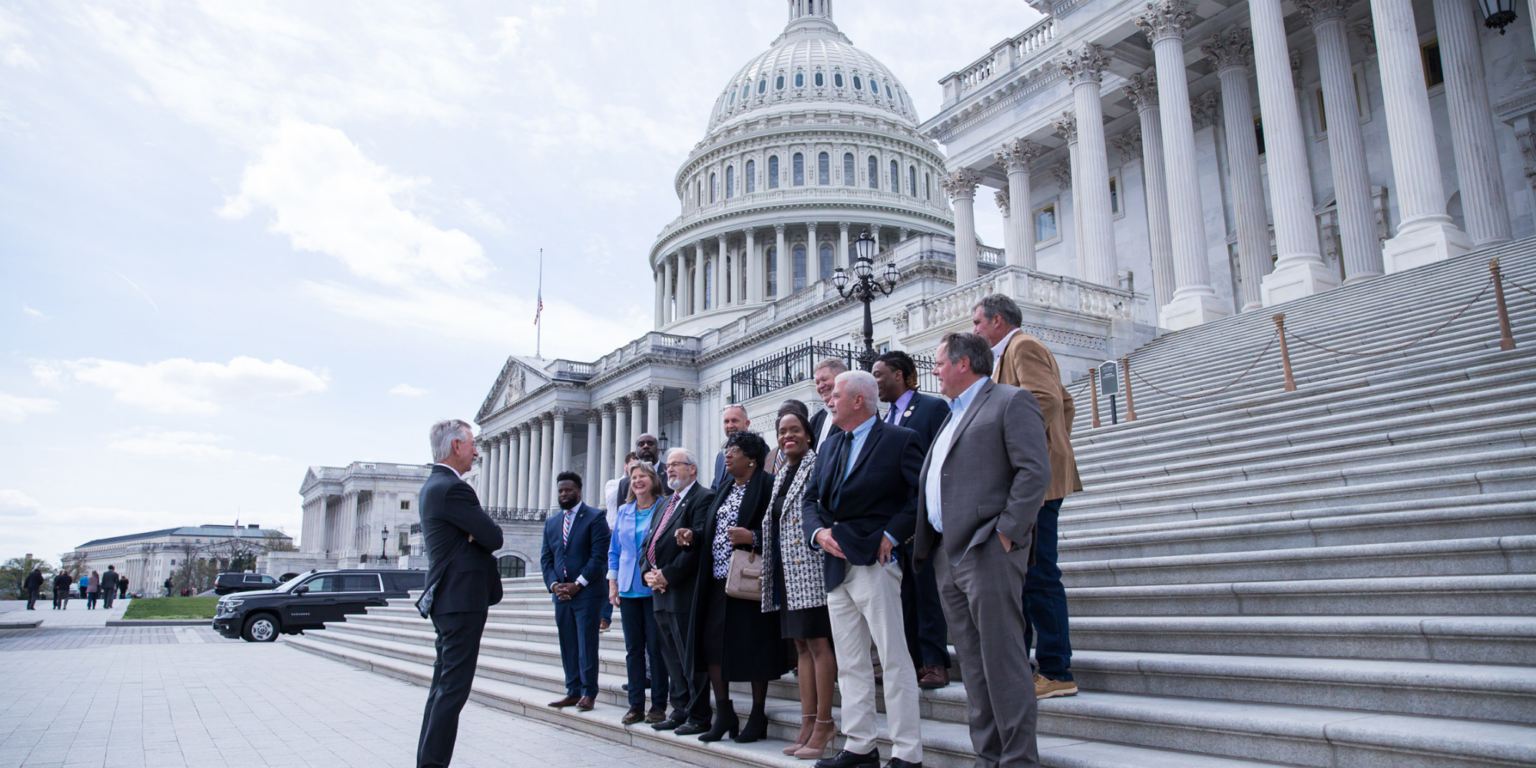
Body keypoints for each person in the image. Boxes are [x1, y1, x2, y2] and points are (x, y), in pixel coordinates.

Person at [914, 332, 1052, 768]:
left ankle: (1018, 760)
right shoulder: (948, 415)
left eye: (938, 363)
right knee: (973, 667)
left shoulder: (1011, 401)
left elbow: (1034, 471)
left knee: (1004, 662)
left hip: (988, 549)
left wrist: (1007, 534)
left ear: (963, 363)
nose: (934, 371)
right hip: (946, 554)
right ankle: (987, 757)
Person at [802, 370, 925, 768]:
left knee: (893, 658)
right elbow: (811, 500)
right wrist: (818, 533)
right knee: (851, 662)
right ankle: (860, 746)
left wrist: (893, 533)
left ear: (858, 400)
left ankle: (907, 753)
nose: (828, 400)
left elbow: (919, 496)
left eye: (835, 394)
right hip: (835, 566)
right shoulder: (832, 444)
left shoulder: (900, 440)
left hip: (877, 561)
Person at [973, 294, 1083, 699]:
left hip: (1036, 485)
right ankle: (1042, 666)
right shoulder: (1009, 353)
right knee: (1031, 575)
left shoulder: (1024, 346)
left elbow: (1047, 400)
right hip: (1034, 479)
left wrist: (1021, 447)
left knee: (1039, 575)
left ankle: (1055, 670)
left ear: (998, 321)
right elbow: (1065, 403)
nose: (975, 332)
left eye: (978, 323)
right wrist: (1055, 443)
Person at [682, 430, 787, 744]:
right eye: (727, 450)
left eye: (735, 451)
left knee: (754, 646)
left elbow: (781, 529)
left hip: (749, 582)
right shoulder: (725, 487)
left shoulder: (767, 485)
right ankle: (724, 712)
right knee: (712, 645)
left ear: (752, 459)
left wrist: (752, 537)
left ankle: (757, 715)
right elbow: (712, 529)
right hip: (716, 579)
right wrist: (692, 536)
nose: (727, 455)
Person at [416, 419, 506, 768]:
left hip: (449, 599)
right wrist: (478, 533)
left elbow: (481, 535)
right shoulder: (454, 489)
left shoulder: (433, 486)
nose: (476, 451)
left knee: (442, 688)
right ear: (456, 446)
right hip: (461, 598)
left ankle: (427, 762)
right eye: (471, 444)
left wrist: (476, 534)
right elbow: (494, 537)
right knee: (452, 691)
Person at [872, 350, 953, 690]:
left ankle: (935, 661)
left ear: (901, 375)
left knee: (925, 591)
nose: (875, 381)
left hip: (923, 517)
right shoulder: (882, 419)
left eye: (879, 374)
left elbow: (946, 455)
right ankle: (912, 661)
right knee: (900, 595)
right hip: (892, 520)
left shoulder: (932, 407)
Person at [761, 405, 837, 760]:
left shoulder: (817, 463)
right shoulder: (781, 473)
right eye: (781, 432)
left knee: (819, 645)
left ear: (808, 435)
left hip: (812, 569)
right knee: (802, 647)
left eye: (794, 430)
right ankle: (807, 723)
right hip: (786, 574)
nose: (787, 436)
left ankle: (824, 723)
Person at [640, 448, 715, 736]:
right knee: (671, 655)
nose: (669, 470)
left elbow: (699, 545)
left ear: (692, 469)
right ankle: (680, 709)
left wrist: (667, 575)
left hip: (683, 590)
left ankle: (698, 715)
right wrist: (647, 571)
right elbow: (650, 542)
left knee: (689, 655)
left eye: (676, 465)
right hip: (658, 591)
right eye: (668, 465)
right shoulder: (664, 503)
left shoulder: (703, 498)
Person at [540, 471, 610, 712]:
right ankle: (573, 691)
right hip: (561, 594)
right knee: (567, 642)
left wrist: (578, 584)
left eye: (568, 490)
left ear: (579, 491)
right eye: (560, 491)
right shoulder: (551, 522)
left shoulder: (595, 517)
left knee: (586, 642)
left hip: (588, 593)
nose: (563, 494)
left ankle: (589, 692)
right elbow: (546, 558)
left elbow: (599, 556)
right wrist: (554, 585)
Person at [608, 462, 669, 726]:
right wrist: (612, 585)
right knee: (633, 650)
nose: (637, 481)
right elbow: (615, 551)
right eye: (634, 477)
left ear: (653, 479)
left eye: (643, 476)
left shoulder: (664, 507)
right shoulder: (624, 510)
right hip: (627, 588)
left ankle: (658, 705)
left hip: (653, 587)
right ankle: (635, 705)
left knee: (656, 649)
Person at [604, 454, 643, 633]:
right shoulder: (615, 484)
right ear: (625, 465)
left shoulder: (659, 506)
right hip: (613, 530)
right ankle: (605, 615)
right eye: (634, 476)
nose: (637, 480)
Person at [806, 358, 848, 450]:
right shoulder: (816, 420)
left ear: (841, 378)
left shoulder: (853, 413)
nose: (821, 386)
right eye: (817, 383)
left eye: (824, 379)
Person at [710, 405, 751, 489]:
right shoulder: (721, 456)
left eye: (734, 421)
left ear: (746, 424)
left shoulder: (757, 449)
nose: (730, 426)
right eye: (726, 421)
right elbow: (715, 489)